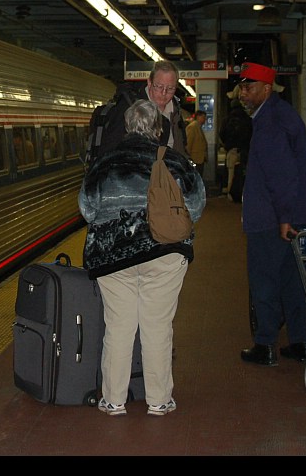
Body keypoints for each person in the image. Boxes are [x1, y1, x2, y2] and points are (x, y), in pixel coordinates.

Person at [79, 99, 206, 416]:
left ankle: (113, 400)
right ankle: (159, 400)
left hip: (113, 256)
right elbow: (196, 205)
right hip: (164, 254)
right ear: (158, 128)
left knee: (119, 327)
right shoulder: (175, 161)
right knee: (157, 327)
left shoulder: (104, 162)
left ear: (126, 126)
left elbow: (87, 208)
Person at [235, 62, 306, 367]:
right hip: (291, 216)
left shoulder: (269, 122)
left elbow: (281, 175)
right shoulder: (281, 114)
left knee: (265, 281)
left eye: (249, 88)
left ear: (267, 88)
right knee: (292, 282)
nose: (243, 94)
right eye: (242, 88)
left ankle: (266, 344)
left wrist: (283, 217)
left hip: (272, 220)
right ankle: (299, 343)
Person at [98, 60, 189, 160]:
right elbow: (110, 152)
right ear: (149, 82)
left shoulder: (175, 112)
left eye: (170, 88)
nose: (164, 92)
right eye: (159, 86)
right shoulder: (130, 109)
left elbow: (180, 148)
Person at [219, 97, 252, 200]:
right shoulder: (248, 119)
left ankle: (230, 193)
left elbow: (221, 133)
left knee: (231, 172)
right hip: (245, 151)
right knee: (244, 172)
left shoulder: (227, 119)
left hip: (231, 150)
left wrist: (227, 145)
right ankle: (243, 193)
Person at [185, 109, 208, 175]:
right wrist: (188, 157)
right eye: (203, 117)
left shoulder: (198, 127)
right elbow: (189, 143)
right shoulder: (192, 127)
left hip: (199, 158)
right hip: (194, 158)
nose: (205, 119)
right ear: (198, 117)